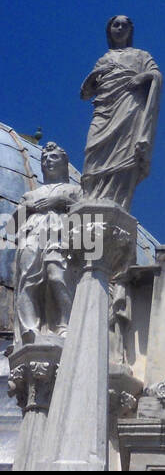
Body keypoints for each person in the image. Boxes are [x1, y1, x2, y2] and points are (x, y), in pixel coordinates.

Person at [80, 15, 161, 212]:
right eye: (115, 25)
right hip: (104, 108)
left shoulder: (141, 55)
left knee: (125, 151)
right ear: (109, 30)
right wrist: (93, 75)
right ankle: (91, 196)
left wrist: (144, 76)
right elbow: (86, 93)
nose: (119, 28)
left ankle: (116, 201)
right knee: (92, 150)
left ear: (130, 30)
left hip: (130, 105)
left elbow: (157, 75)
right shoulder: (103, 59)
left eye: (124, 25)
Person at [14, 143, 77, 342]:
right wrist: (29, 207)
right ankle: (29, 328)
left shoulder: (74, 190)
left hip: (62, 235)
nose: (48, 161)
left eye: (53, 157)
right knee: (27, 279)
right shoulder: (31, 195)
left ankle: (65, 326)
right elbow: (12, 224)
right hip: (32, 235)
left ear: (65, 163)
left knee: (57, 276)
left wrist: (60, 202)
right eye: (44, 159)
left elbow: (87, 213)